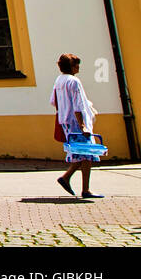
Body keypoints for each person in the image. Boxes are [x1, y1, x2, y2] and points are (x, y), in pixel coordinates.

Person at [50, 54, 103, 199]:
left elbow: (53, 101)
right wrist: (83, 125)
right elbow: (78, 104)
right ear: (71, 67)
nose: (78, 67)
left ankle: (71, 180)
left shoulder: (59, 81)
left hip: (65, 121)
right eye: (76, 65)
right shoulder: (74, 82)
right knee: (87, 154)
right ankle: (82, 187)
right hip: (76, 122)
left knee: (83, 154)